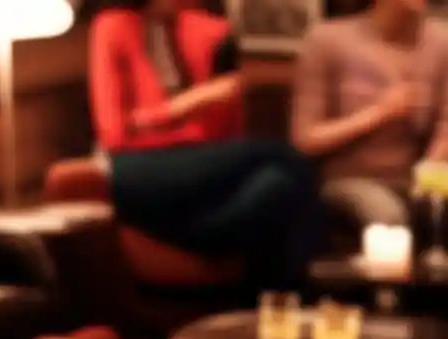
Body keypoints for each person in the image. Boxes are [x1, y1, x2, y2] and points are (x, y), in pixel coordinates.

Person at [89, 0, 324, 291]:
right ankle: (317, 291)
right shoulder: (112, 26)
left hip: (195, 164)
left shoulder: (194, 28)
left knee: (278, 186)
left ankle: (273, 303)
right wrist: (185, 106)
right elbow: (114, 134)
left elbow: (215, 129)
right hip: (132, 166)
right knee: (283, 157)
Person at [293, 0, 448, 228]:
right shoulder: (326, 40)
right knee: (387, 214)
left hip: (411, 178)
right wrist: (380, 113)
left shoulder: (443, 44)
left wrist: (431, 171)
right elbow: (305, 139)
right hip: (347, 180)